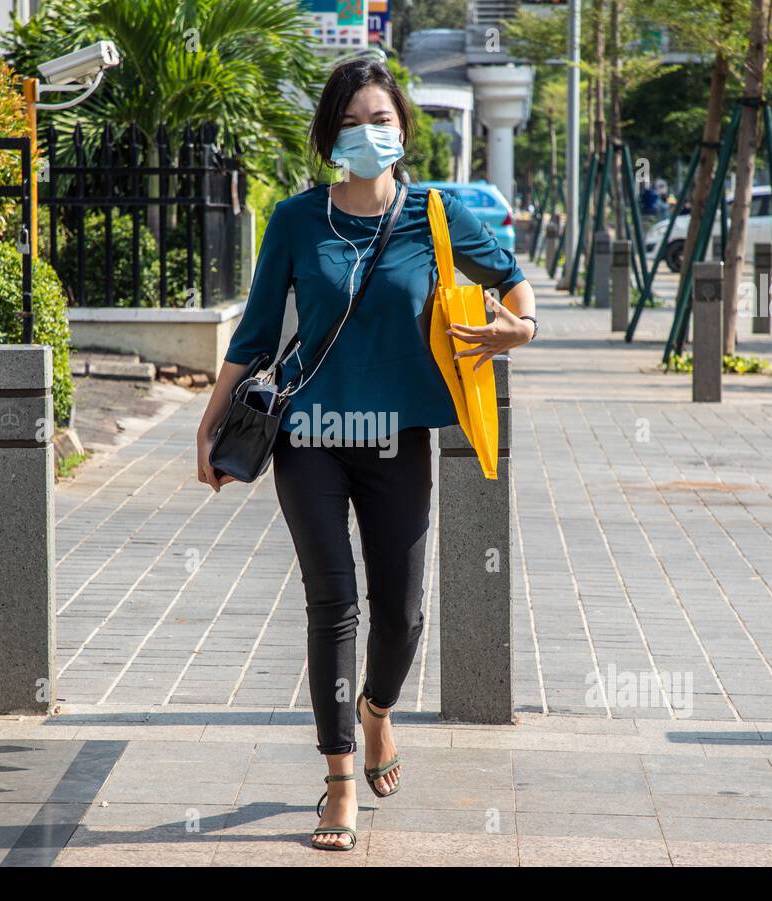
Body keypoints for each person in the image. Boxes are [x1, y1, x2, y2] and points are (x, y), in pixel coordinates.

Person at [195, 56, 538, 852]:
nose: (367, 133)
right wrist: (208, 425)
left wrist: (520, 328)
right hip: (310, 439)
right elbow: (251, 337)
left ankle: (377, 712)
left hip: (398, 439)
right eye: (351, 122)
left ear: (403, 132)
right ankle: (338, 778)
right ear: (327, 137)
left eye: (381, 120)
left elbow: (515, 285)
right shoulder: (294, 220)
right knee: (333, 604)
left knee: (404, 614)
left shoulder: (439, 215)